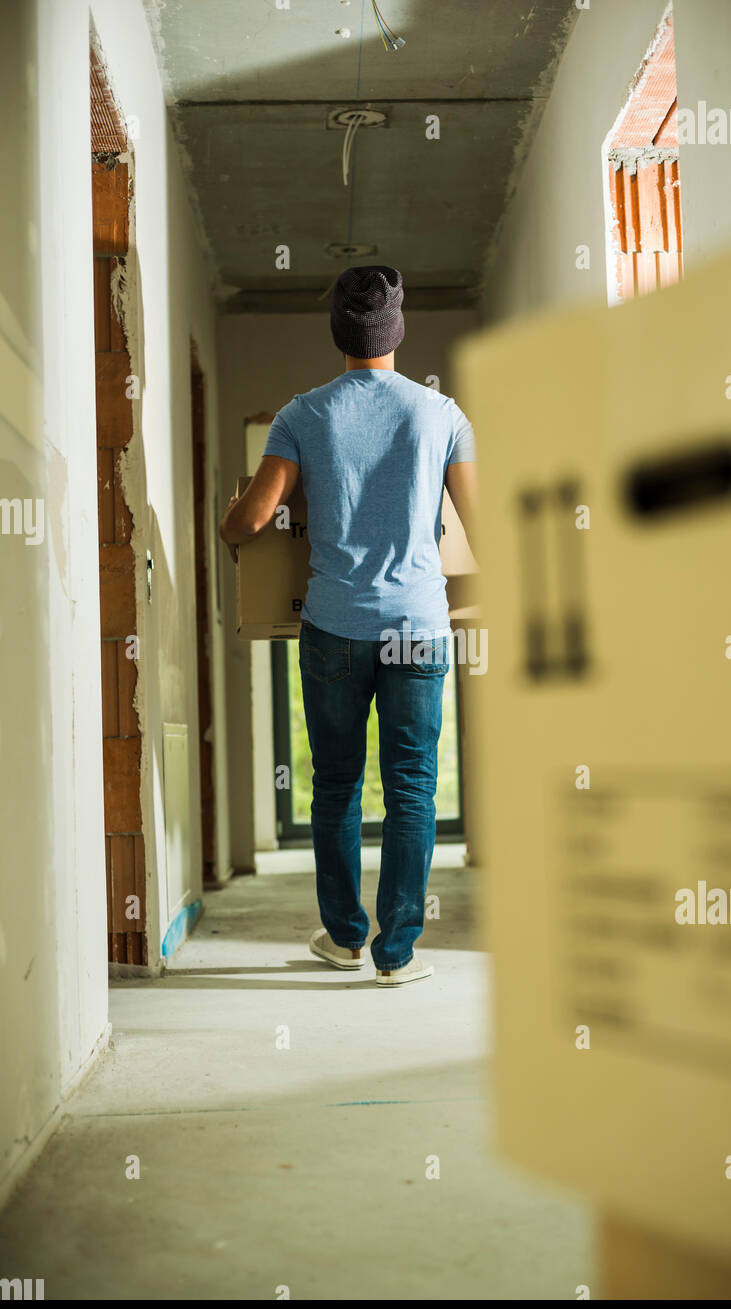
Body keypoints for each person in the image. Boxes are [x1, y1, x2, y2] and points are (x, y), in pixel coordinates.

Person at [220, 265, 477, 986]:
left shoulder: (304, 415)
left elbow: (251, 519)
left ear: (338, 332)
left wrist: (227, 527)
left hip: (335, 626)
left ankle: (343, 938)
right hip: (419, 627)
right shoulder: (442, 415)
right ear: (397, 332)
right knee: (413, 790)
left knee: (334, 787)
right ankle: (396, 955)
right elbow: (484, 531)